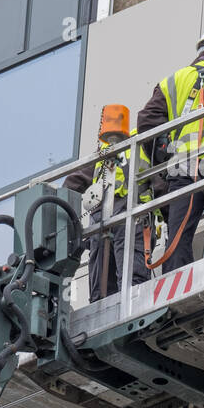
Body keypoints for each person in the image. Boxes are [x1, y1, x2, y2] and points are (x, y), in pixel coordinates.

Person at [137, 29, 204, 272]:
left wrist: (165, 159)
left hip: (183, 169)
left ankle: (174, 288)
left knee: (178, 235)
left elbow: (146, 120)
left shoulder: (173, 81)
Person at [63, 104, 153, 301]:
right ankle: (115, 302)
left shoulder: (138, 141)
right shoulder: (136, 142)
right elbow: (74, 181)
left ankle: (120, 303)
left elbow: (74, 181)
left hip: (124, 212)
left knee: (122, 277)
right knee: (117, 276)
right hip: (113, 214)